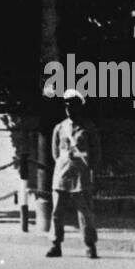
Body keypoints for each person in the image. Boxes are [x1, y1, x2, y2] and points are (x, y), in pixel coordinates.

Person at [46, 89, 100, 259]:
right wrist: (64, 163)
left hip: (80, 175)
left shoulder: (88, 127)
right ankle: (55, 244)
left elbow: (96, 152)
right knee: (57, 211)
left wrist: (88, 168)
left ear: (80, 107)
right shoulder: (59, 127)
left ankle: (90, 245)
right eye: (67, 106)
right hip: (62, 174)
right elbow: (55, 153)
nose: (69, 109)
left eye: (73, 106)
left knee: (85, 212)